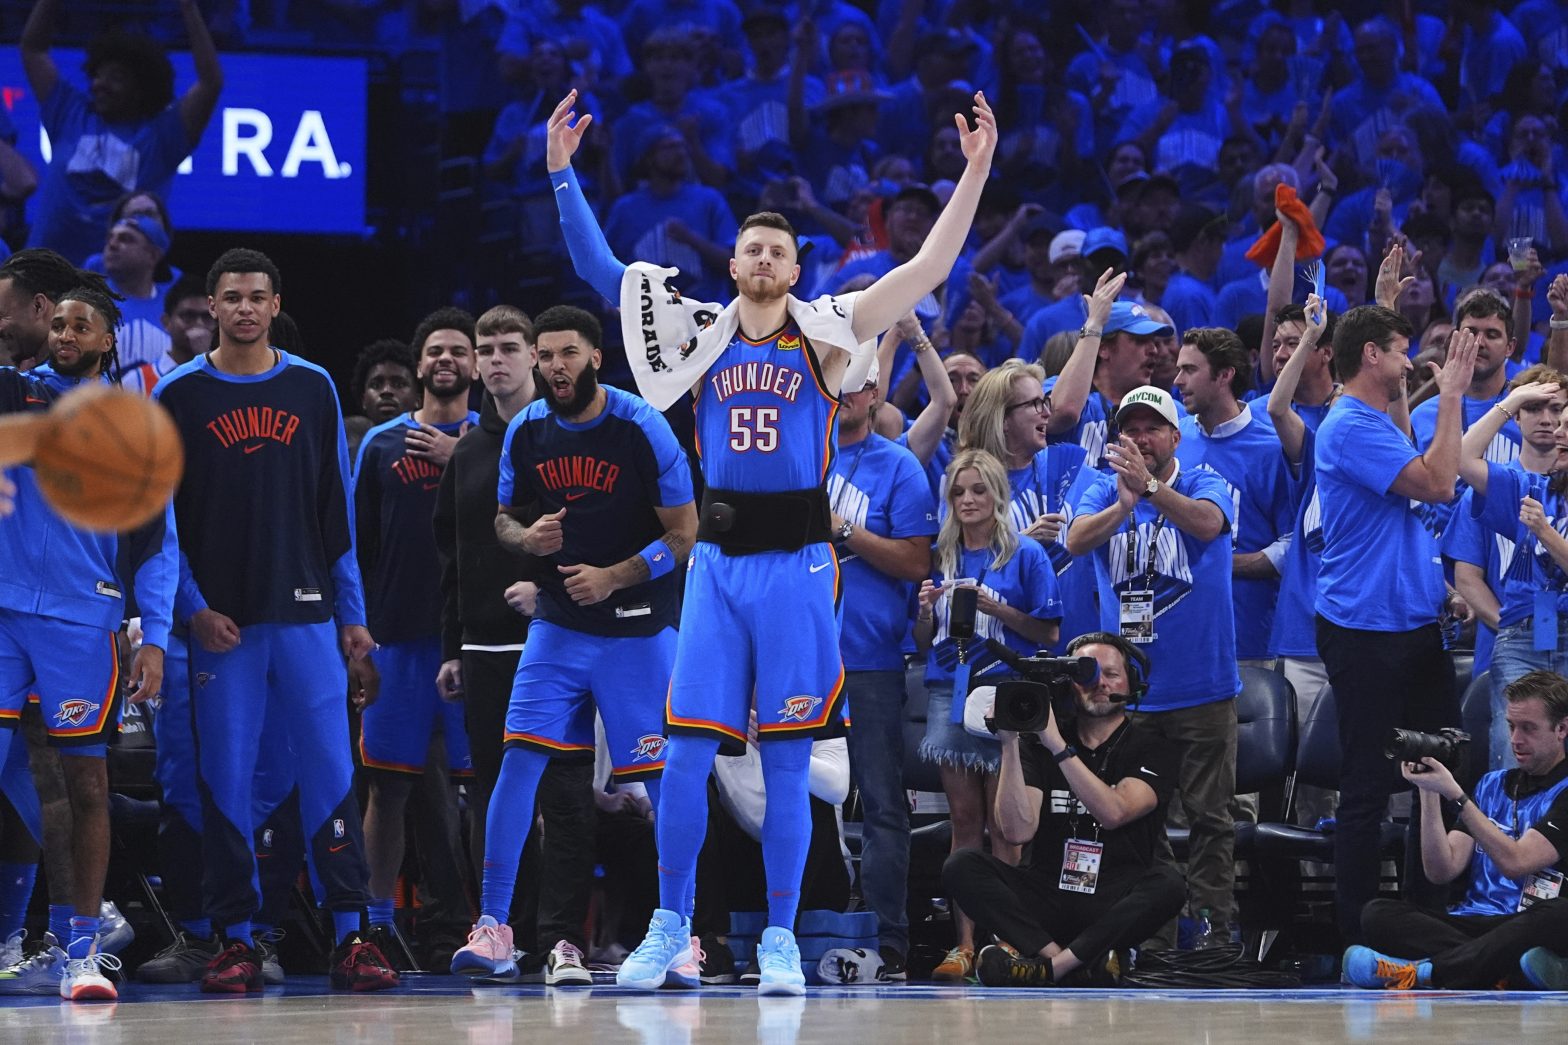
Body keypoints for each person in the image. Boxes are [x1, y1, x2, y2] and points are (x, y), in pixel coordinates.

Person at [547, 85, 997, 994]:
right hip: (716, 567)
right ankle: (669, 927)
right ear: (734, 262)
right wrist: (561, 174)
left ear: (795, 269)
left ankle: (783, 936)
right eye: (750, 246)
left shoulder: (831, 336)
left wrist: (977, 168)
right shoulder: (700, 337)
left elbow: (927, 265)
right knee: (684, 752)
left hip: (797, 567)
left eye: (777, 249)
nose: (761, 257)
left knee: (789, 761)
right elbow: (606, 275)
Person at [152, 249, 397, 993]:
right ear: (213, 307)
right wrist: (192, 609)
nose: (246, 308)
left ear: (276, 302)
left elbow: (336, 513)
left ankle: (353, 935)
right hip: (223, 624)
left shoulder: (313, 385)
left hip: (307, 617)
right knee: (222, 780)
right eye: (232, 297)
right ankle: (233, 938)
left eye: (258, 296)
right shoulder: (176, 394)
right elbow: (161, 522)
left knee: (331, 771)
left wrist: (352, 616)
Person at [449, 305, 696, 985]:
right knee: (517, 763)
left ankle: (679, 931)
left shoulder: (642, 428)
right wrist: (527, 541)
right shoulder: (526, 431)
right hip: (558, 628)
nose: (556, 367)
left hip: (639, 629)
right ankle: (496, 925)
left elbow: (685, 534)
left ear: (596, 357)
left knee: (657, 780)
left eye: (568, 354)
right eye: (547, 355)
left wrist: (614, 575)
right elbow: (503, 518)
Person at [1313, 304, 1479, 943]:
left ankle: (1429, 919)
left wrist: (1435, 588)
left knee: (1443, 773)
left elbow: (1404, 503)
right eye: (1401, 350)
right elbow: (1437, 483)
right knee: (1367, 784)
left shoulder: (1373, 420)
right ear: (1371, 357)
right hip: (1364, 631)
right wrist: (1454, 395)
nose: (1412, 361)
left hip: (1412, 624)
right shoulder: (1350, 426)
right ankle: (1358, 933)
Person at [1066, 384, 1241, 942]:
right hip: (1131, 695)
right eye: (1131, 429)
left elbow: (1208, 525)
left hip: (1203, 686)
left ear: (1174, 434)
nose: (1141, 439)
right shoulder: (1098, 486)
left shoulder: (1205, 480)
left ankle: (1213, 929)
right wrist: (1123, 503)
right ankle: (1151, 932)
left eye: (1152, 428)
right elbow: (1072, 542)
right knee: (1139, 824)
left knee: (1212, 819)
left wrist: (1152, 490)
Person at [945, 632, 1184, 987]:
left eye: (1112, 674)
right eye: (1087, 674)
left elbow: (1114, 812)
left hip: (1113, 895)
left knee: (1170, 883)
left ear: (1130, 683)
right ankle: (1072, 961)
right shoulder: (1038, 745)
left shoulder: (1153, 748)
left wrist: (1056, 744)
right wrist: (1010, 742)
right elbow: (1016, 831)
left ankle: (1053, 969)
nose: (1100, 684)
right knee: (962, 865)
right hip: (1047, 892)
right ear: (1070, 684)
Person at [353, 308, 480, 948]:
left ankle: (494, 923)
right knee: (390, 788)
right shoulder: (379, 446)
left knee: (485, 789)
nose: (447, 360)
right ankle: (376, 928)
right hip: (397, 642)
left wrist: (465, 458)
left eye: (459, 349)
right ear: (418, 364)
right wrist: (357, 637)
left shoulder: (501, 440)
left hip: (476, 641)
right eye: (435, 351)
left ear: (478, 364)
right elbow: (358, 548)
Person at [914, 448, 1062, 981]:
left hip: (1004, 695)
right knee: (964, 822)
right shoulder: (940, 555)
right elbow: (919, 642)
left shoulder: (1025, 555)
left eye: (978, 490)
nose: (968, 500)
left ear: (998, 494)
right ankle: (965, 944)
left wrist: (994, 608)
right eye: (958, 491)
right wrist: (928, 612)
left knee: (1007, 825)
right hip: (948, 691)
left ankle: (1008, 938)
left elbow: (1048, 633)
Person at [818, 361, 936, 983]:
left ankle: (890, 939)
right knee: (798, 797)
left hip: (870, 660)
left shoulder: (899, 466)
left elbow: (917, 561)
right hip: (802, 661)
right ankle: (808, 922)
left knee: (884, 802)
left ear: (874, 393)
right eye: (833, 384)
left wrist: (842, 529)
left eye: (855, 386)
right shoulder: (800, 456)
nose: (842, 396)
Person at [1343, 670, 1568, 991]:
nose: (1516, 739)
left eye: (1529, 729)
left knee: (1560, 914)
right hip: (1475, 922)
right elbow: (1440, 869)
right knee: (1376, 914)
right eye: (1511, 726)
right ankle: (1507, 969)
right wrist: (1429, 792)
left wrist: (1457, 796)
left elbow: (1517, 862)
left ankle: (1422, 972)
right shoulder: (1492, 784)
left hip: (1530, 921)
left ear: (1561, 729)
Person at [20, 0, 223, 262]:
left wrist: (188, 8)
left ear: (141, 89)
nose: (99, 85)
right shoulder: (69, 112)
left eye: (115, 77)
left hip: (113, 287)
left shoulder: (161, 139)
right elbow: (33, 49)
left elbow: (211, 82)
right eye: (97, 76)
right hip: (41, 277)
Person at [1455, 372, 1568, 769]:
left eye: (1563, 417)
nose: (1555, 427)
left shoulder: (1535, 507)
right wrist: (1510, 400)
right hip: (1523, 634)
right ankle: (1505, 832)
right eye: (1534, 409)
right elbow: (1461, 457)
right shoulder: (1525, 487)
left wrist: (1542, 531)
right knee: (1513, 756)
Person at [1172, 328, 1293, 665]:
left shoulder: (1271, 446)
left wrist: (1223, 564)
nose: (1178, 380)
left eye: (1190, 370)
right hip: (1179, 632)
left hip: (1248, 636)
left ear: (1225, 375)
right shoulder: (1176, 439)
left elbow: (1293, 542)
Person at [99, 216, 174, 373]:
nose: (112, 245)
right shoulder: (88, 302)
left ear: (153, 255)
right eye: (110, 238)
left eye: (126, 239)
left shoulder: (176, 307)